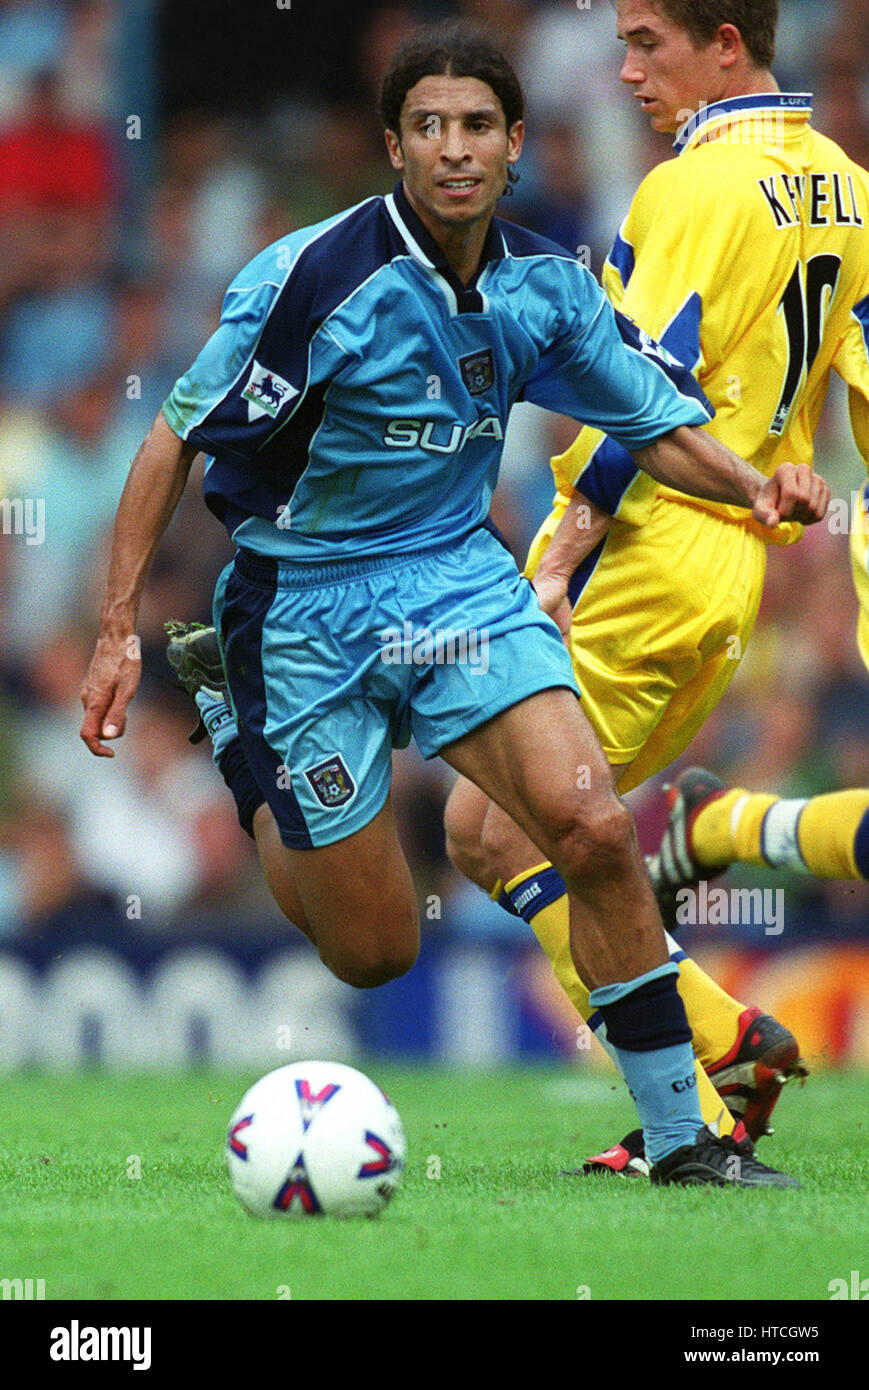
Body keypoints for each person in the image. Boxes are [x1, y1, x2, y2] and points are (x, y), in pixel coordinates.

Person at [79, 22, 826, 1187]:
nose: (454, 149)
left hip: (453, 581)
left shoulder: (544, 288)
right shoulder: (311, 280)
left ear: (515, 141)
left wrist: (755, 486)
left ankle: (682, 1138)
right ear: (393, 146)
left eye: (476, 125)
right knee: (375, 950)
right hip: (300, 602)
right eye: (427, 126)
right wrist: (119, 625)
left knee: (581, 817)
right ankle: (245, 731)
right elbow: (174, 435)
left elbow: (654, 423)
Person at [444, 0, 869, 1173]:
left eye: (646, 43)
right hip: (727, 575)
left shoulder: (690, 186)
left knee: (490, 827)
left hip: (646, 545)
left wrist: (562, 553)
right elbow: (850, 383)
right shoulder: (843, 182)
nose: (624, 70)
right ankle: (701, 1070)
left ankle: (712, 1070)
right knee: (547, 828)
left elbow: (640, 386)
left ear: (724, 41)